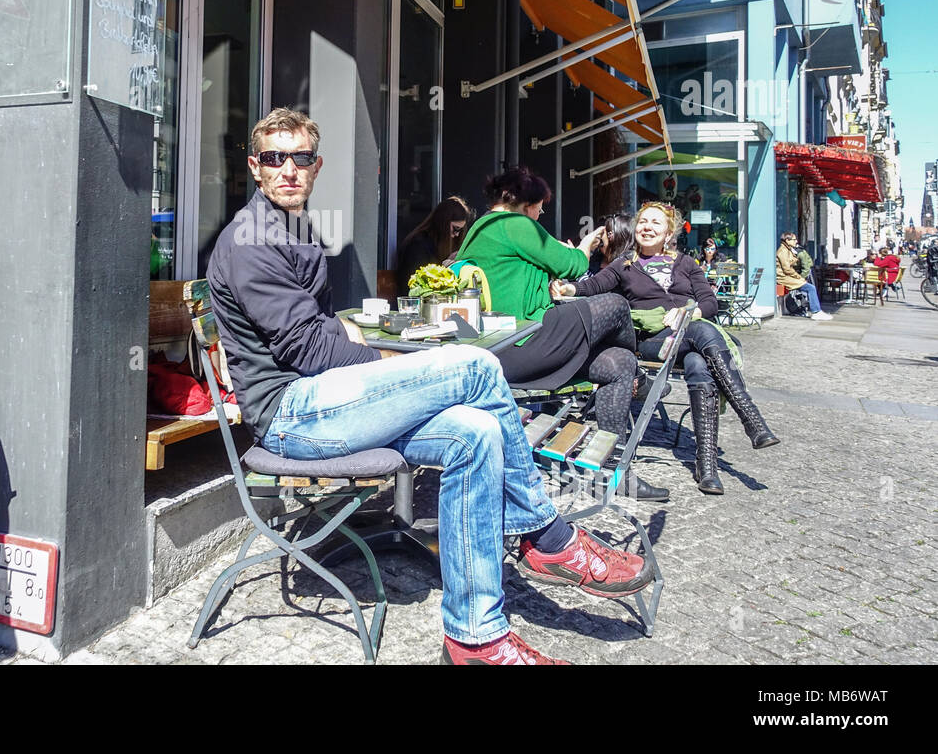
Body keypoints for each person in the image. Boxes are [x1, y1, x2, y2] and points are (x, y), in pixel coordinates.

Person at [206, 108, 652, 665]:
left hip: (325, 401)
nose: (288, 169)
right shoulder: (252, 240)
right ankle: (549, 536)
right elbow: (306, 349)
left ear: (316, 165)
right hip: (291, 417)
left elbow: (317, 331)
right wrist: (387, 357)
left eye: (300, 157)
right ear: (255, 167)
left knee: (478, 430)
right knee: (475, 366)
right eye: (275, 158)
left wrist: (365, 347)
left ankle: (475, 638)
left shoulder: (291, 228)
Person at [455, 167, 668, 501]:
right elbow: (573, 265)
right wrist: (584, 245)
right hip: (523, 340)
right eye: (540, 206)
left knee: (617, 363)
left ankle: (614, 473)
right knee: (613, 305)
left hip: (504, 348)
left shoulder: (479, 229)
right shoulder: (515, 225)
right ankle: (644, 376)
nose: (541, 214)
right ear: (525, 203)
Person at [556, 202, 782, 495]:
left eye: (655, 224)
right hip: (651, 342)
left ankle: (707, 465)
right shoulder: (625, 263)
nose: (646, 227)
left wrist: (688, 314)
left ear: (668, 233)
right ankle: (750, 417)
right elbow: (594, 286)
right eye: (643, 222)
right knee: (700, 331)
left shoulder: (686, 264)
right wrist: (569, 289)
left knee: (698, 363)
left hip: (688, 340)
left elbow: (710, 302)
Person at [395, 196, 473, 293]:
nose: (457, 234)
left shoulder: (436, 242)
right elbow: (415, 285)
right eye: (455, 229)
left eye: (460, 231)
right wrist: (446, 268)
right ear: (443, 223)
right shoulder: (418, 245)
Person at [776, 232, 831, 319]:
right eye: (794, 240)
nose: (796, 241)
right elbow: (787, 269)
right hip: (783, 277)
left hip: (787, 277)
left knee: (810, 287)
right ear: (787, 240)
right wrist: (798, 277)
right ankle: (816, 312)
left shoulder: (788, 249)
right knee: (810, 288)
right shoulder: (783, 251)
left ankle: (816, 310)